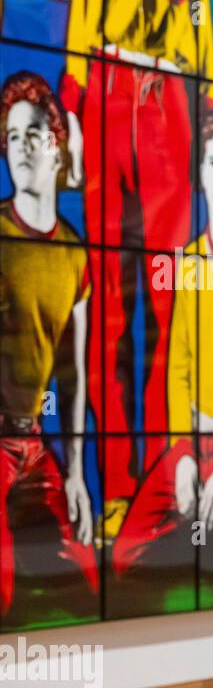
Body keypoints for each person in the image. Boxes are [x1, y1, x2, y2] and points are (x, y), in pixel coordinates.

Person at [60, 0, 213, 538]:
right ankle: (119, 486)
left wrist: (206, 112)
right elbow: (83, 10)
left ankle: (160, 476)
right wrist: (74, 113)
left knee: (168, 307)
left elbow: (197, 20)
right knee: (107, 312)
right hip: (107, 88)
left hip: (169, 105)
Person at [112, 111, 213, 590]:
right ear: (201, 173)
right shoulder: (188, 262)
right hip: (189, 443)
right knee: (125, 556)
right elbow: (178, 366)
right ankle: (190, 527)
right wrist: (183, 453)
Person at [0, 71, 98, 618]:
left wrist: (78, 473)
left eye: (34, 133)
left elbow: (75, 375)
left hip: (33, 447)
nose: (21, 147)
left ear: (57, 147)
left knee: (81, 579)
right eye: (12, 137)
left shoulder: (73, 251)